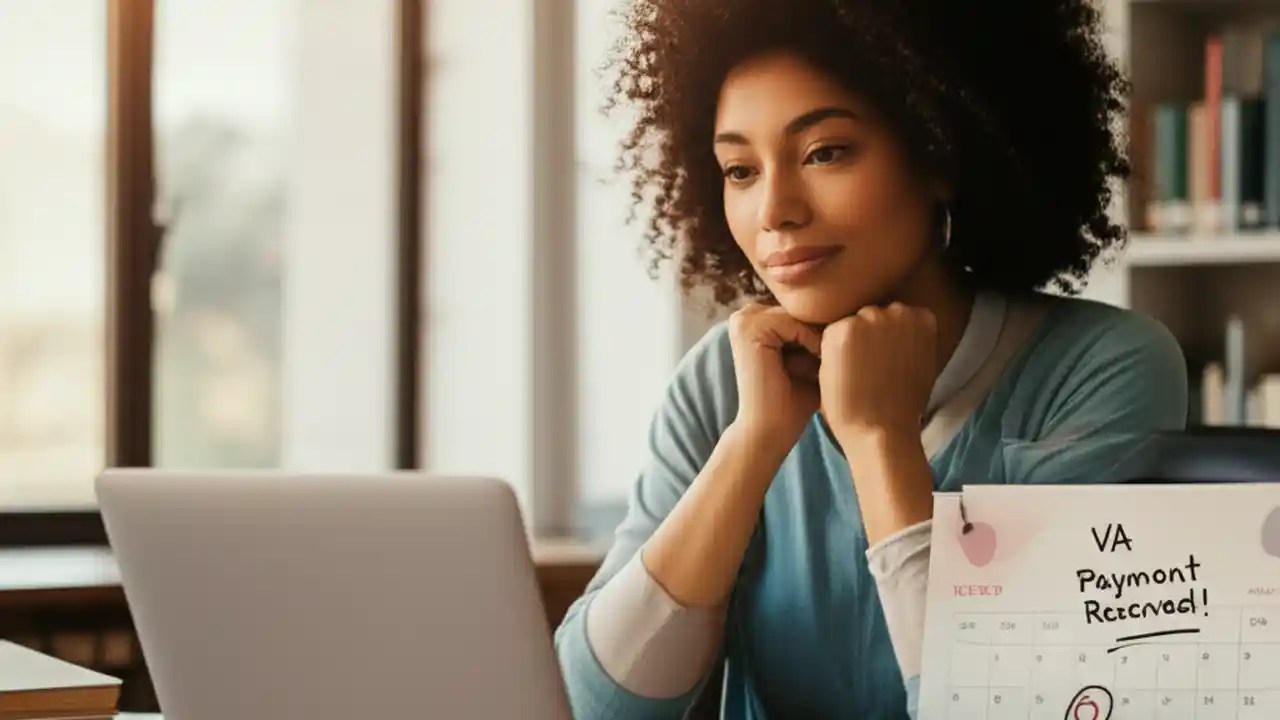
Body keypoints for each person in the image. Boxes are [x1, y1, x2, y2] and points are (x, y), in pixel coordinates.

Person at [553, 1, 1189, 717]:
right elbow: (590, 708)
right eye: (740, 169)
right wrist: (752, 445)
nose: (774, 210)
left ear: (939, 153)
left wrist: (881, 441)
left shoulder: (1102, 368)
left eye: (825, 152)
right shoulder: (721, 381)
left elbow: (1027, 703)